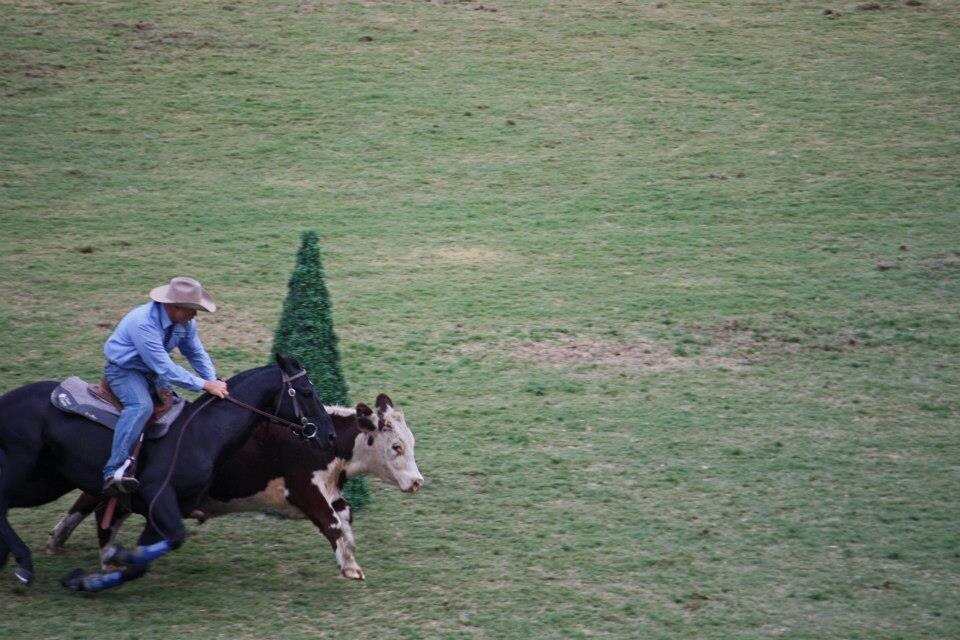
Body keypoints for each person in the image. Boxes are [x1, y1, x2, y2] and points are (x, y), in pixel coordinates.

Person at [101, 276, 229, 495]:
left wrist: (213, 379)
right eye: (191, 309)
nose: (195, 314)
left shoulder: (186, 323)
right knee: (141, 407)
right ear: (173, 307)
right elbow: (165, 368)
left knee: (179, 412)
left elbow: (196, 353)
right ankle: (114, 472)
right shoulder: (144, 323)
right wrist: (205, 385)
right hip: (124, 371)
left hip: (152, 373)